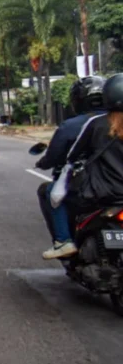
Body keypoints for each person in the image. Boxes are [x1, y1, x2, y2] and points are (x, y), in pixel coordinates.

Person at [35, 76, 106, 258]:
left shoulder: (78, 125)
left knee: (51, 192)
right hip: (115, 186)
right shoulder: (115, 122)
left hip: (90, 187)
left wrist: (44, 162)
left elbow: (59, 155)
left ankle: (63, 240)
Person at [58, 73, 123, 246]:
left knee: (69, 202)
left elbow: (72, 155)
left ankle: (65, 242)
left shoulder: (96, 124)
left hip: (103, 194)